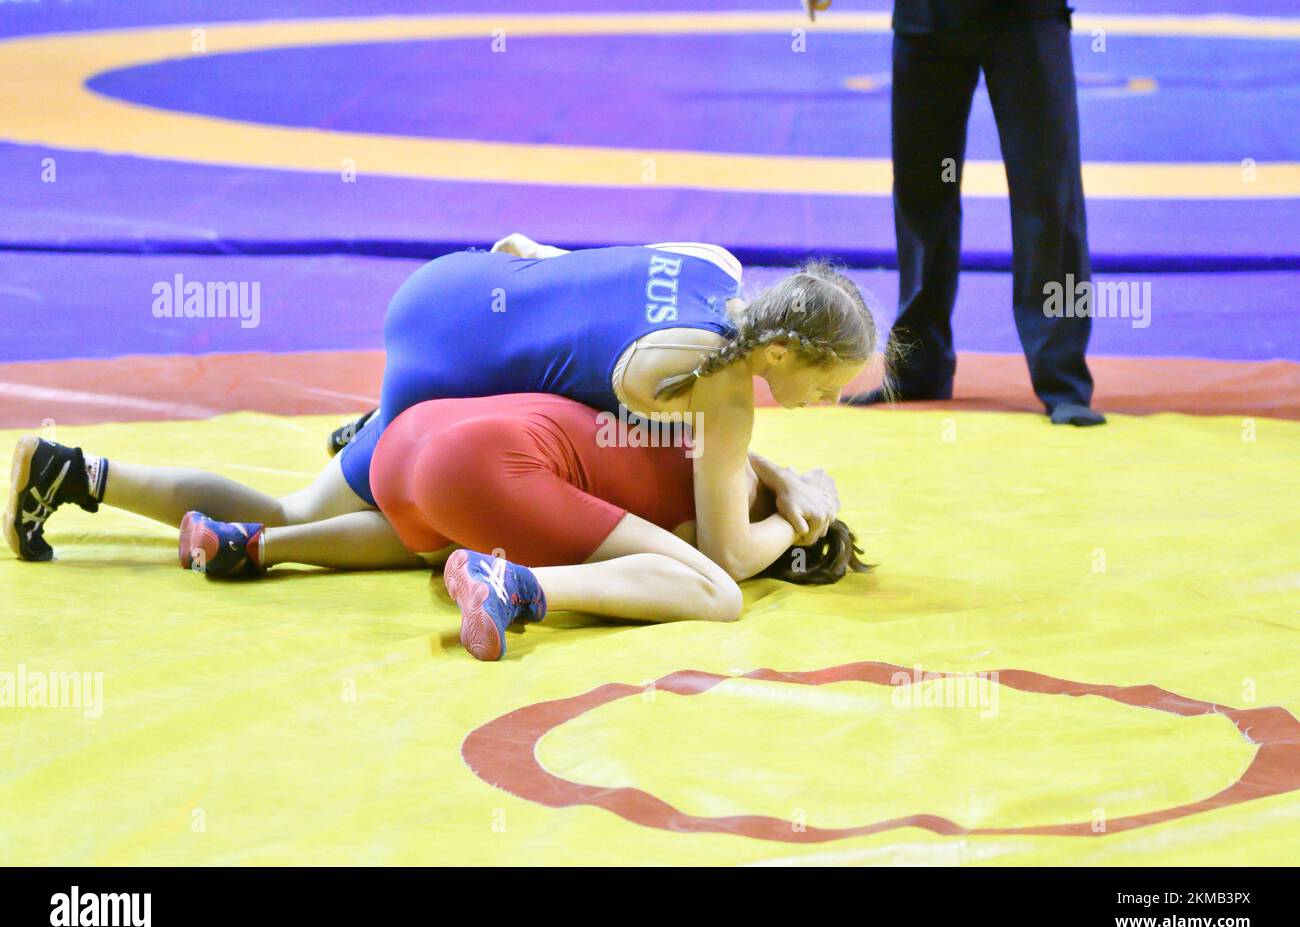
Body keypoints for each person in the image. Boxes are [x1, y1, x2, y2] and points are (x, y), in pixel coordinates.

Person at [8, 239, 876, 581]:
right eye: (830, 383)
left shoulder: (717, 265)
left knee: (429, 459)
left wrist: (765, 469)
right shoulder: (723, 399)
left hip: (452, 289)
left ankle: (79, 473)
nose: (830, 400)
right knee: (399, 506)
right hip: (455, 379)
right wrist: (807, 514)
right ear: (784, 354)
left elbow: (564, 261)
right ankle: (359, 452)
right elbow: (723, 550)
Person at [4, 394, 869, 661]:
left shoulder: (716, 443)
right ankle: (511, 587)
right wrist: (793, 526)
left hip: (423, 423)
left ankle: (90, 477)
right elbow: (723, 562)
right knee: (714, 596)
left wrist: (793, 484)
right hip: (485, 466)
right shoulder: (730, 497)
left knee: (299, 514)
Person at [808, 1, 1106, 425]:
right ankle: (918, 366)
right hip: (927, 18)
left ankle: (1064, 380)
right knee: (921, 192)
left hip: (1028, 17)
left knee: (1049, 197)